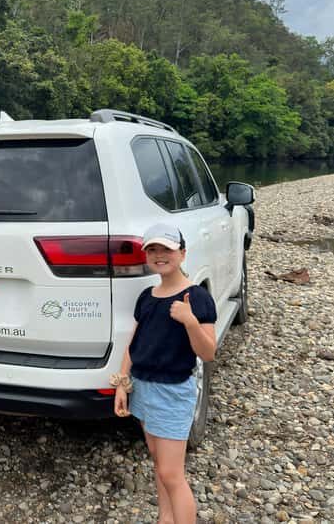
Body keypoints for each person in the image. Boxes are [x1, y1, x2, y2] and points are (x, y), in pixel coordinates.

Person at [113, 223, 217, 524]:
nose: (160, 255)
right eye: (153, 250)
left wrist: (190, 322)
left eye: (167, 249)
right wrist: (122, 383)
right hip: (143, 389)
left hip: (172, 391)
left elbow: (207, 352)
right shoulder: (147, 296)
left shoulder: (196, 298)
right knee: (160, 465)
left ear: (182, 254)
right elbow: (134, 344)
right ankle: (165, 518)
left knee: (172, 474)